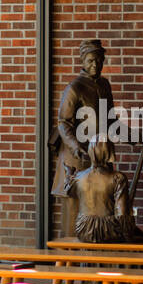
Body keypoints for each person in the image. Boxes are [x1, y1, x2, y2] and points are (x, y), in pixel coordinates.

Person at [50, 39, 115, 236]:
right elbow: (63, 123)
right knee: (74, 221)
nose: (95, 64)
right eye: (90, 60)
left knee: (102, 218)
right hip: (77, 162)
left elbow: (111, 121)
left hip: (100, 161)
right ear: (83, 61)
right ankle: (67, 264)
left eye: (98, 60)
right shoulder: (75, 88)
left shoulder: (104, 86)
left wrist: (138, 135)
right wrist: (77, 147)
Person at [71, 138, 143, 244]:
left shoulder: (78, 176)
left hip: (83, 230)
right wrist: (129, 234)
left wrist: (68, 174)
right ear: (110, 152)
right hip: (108, 231)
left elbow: (69, 190)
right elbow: (121, 214)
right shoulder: (118, 178)